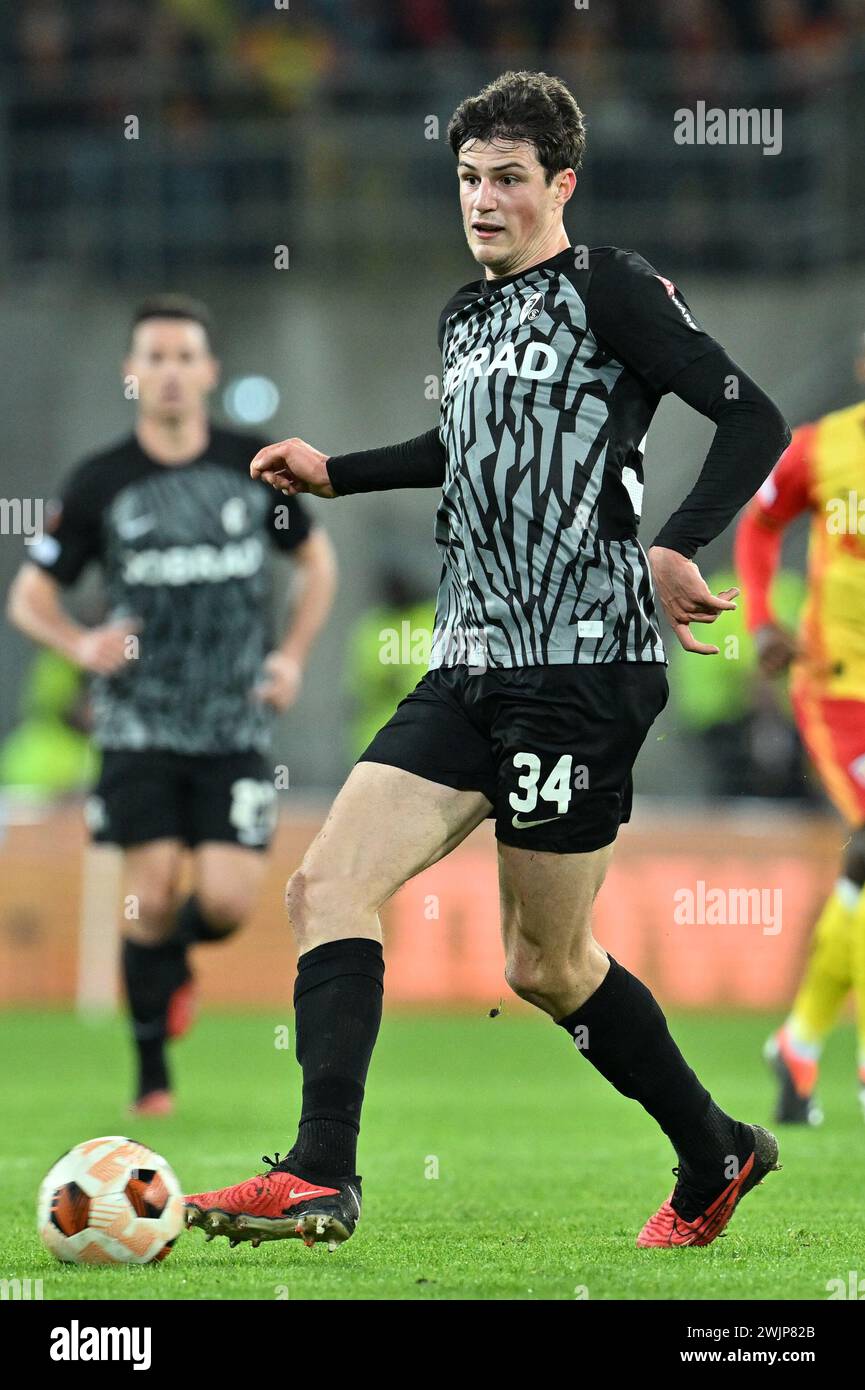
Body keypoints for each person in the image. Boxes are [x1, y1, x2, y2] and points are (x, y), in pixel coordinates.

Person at [185, 71, 789, 1251]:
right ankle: (320, 1172)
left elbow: (751, 415)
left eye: (508, 178)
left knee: (545, 961)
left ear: (561, 183)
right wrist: (335, 470)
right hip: (469, 658)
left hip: (581, 666)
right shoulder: (464, 316)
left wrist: (676, 543)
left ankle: (711, 1149)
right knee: (327, 887)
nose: (483, 199)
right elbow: (462, 445)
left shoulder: (608, 288)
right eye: (467, 178)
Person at [6, 294, 337, 1114]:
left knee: (223, 903)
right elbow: (29, 597)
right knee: (147, 893)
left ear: (209, 371)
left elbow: (317, 564)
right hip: (138, 723)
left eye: (185, 356)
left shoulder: (250, 466)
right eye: (153, 357)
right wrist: (82, 646)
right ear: (131, 374)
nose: (170, 372)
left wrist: (290, 659)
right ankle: (151, 1076)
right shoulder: (102, 481)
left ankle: (170, 967)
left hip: (231, 724)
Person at [735, 340, 865, 1125]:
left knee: (859, 870)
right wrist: (760, 623)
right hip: (839, 692)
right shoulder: (823, 447)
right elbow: (759, 526)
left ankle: (800, 1041)